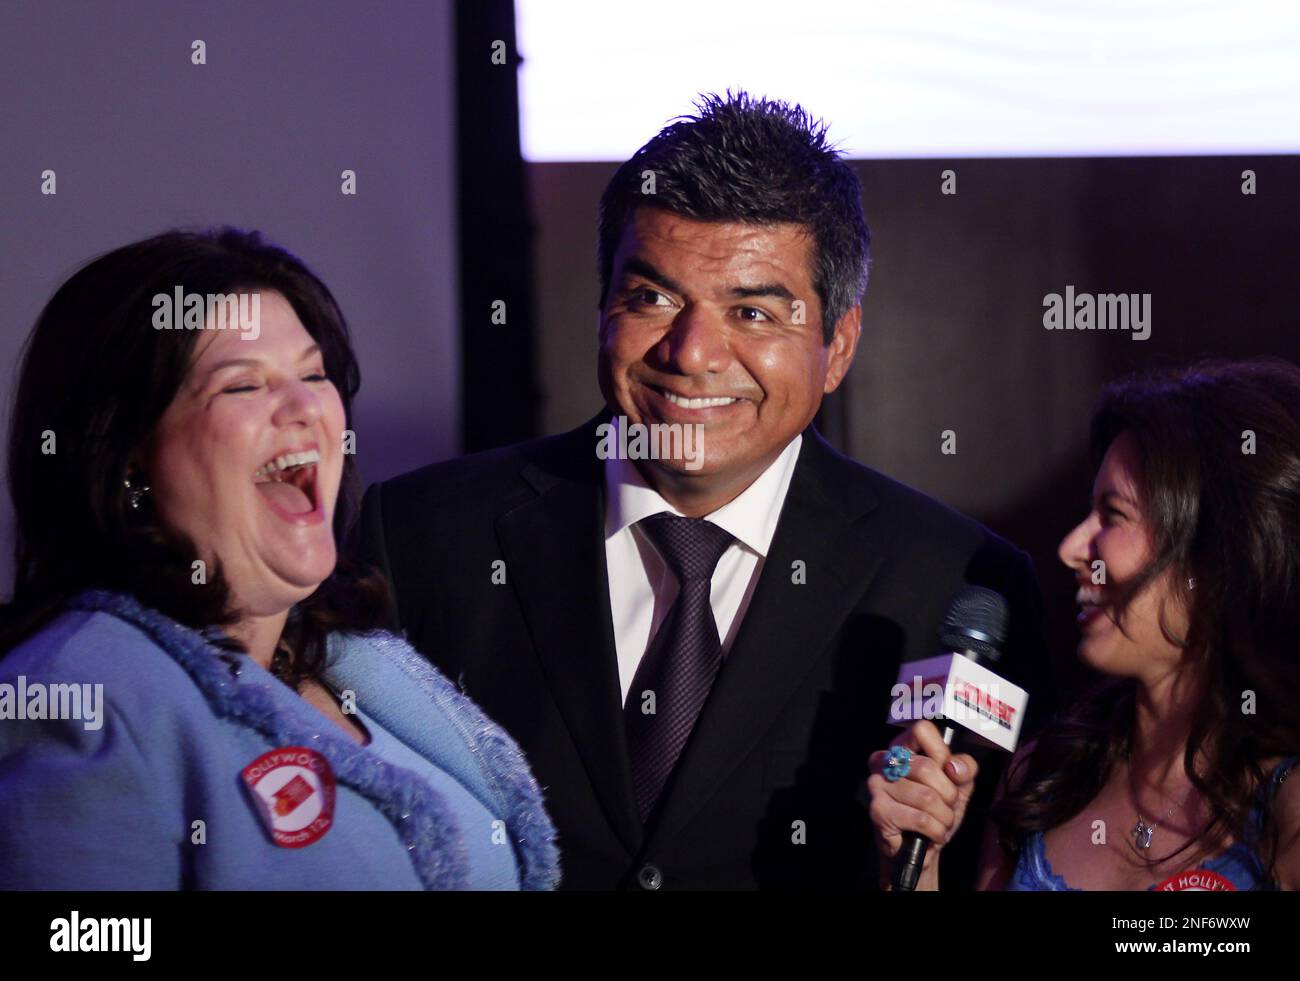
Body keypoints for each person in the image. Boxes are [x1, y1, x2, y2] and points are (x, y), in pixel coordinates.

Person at [357, 91, 1054, 889]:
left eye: (753, 312)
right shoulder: (421, 537)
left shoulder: (953, 581)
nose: (692, 352)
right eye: (652, 298)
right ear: (601, 307)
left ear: (838, 346)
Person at [0, 228, 559, 890]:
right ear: (128, 457)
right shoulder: (82, 692)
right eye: (242, 386)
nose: (304, 409)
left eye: (314, 374)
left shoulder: (358, 668)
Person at [867, 359, 1300, 891]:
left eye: (1112, 515)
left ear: (1214, 558)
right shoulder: (1042, 774)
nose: (1072, 548)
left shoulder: (1288, 805)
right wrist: (912, 863)